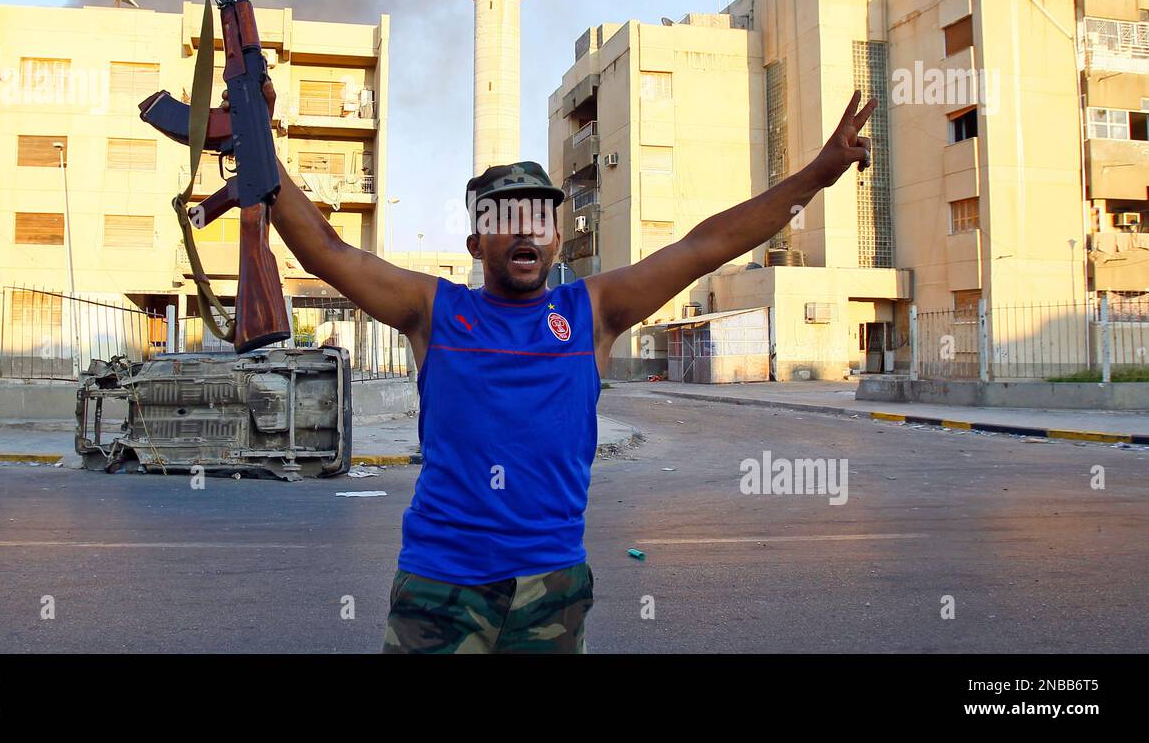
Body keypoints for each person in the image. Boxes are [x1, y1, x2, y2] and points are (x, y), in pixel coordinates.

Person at [263, 78, 876, 653]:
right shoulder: (434, 311)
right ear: (476, 243)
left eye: (538, 216)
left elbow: (704, 245)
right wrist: (259, 145)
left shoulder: (594, 311)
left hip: (552, 587)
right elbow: (326, 249)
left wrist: (815, 176)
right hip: (440, 586)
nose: (523, 229)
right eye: (503, 218)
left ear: (556, 237)